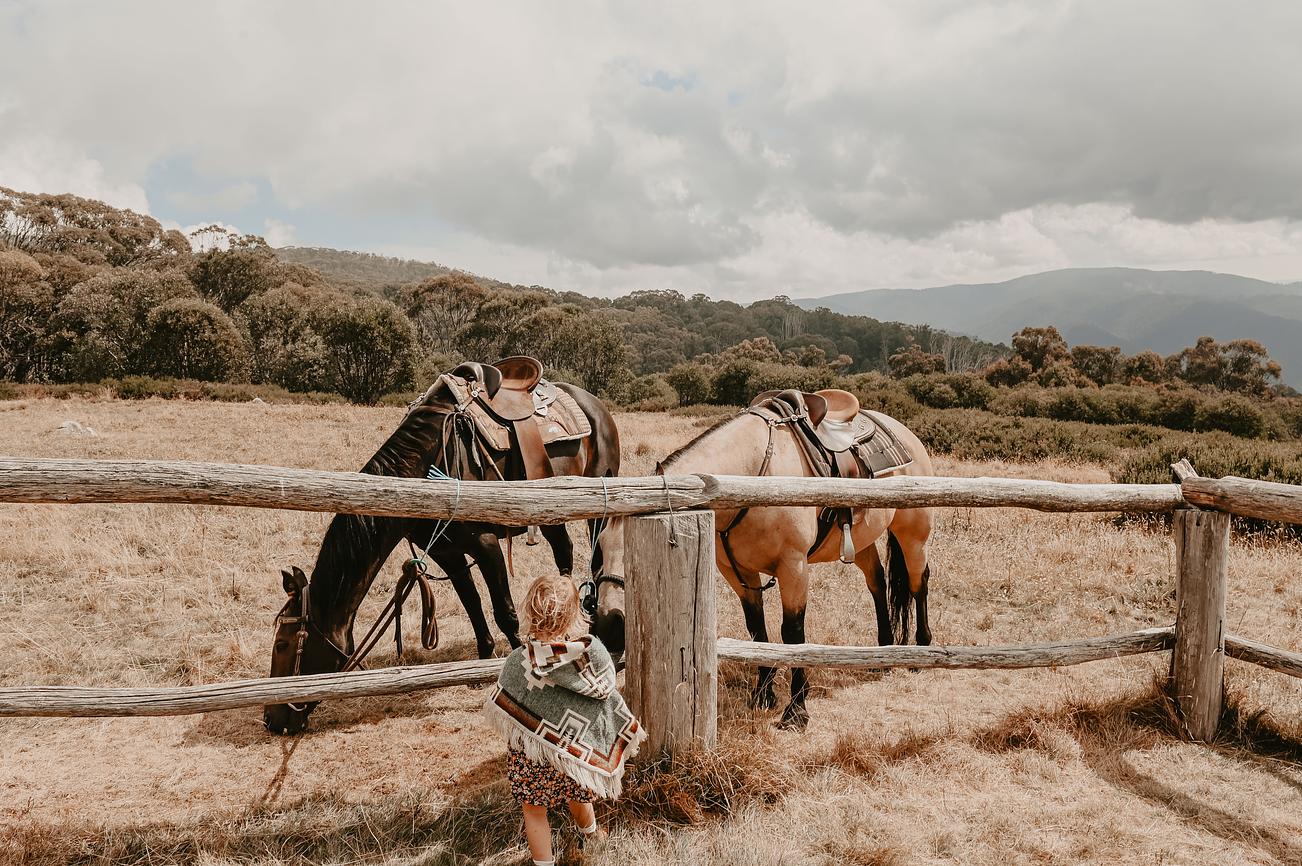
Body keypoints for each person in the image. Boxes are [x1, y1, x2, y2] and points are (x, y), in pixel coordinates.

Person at [483, 573, 645, 866]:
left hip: (532, 756)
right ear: (576, 615)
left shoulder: (519, 662)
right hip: (575, 749)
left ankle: (544, 863)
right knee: (578, 790)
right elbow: (606, 691)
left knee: (534, 810)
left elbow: (507, 706)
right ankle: (591, 833)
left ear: (529, 612)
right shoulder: (591, 652)